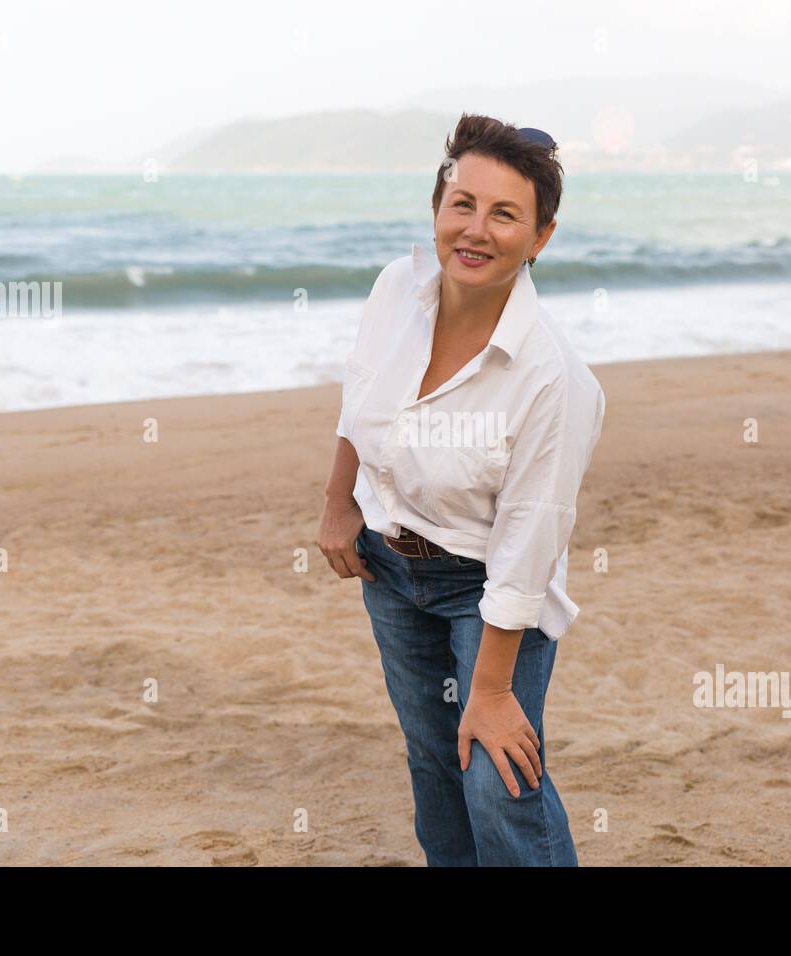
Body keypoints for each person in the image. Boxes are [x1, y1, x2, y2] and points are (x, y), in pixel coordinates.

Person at [316, 113, 605, 866]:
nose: (476, 229)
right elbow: (362, 394)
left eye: (505, 214)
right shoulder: (395, 290)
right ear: (437, 210)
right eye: (462, 204)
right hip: (389, 571)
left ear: (541, 237)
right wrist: (339, 500)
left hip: (487, 589)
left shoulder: (552, 377)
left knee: (497, 780)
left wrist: (492, 690)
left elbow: (528, 542)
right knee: (435, 768)